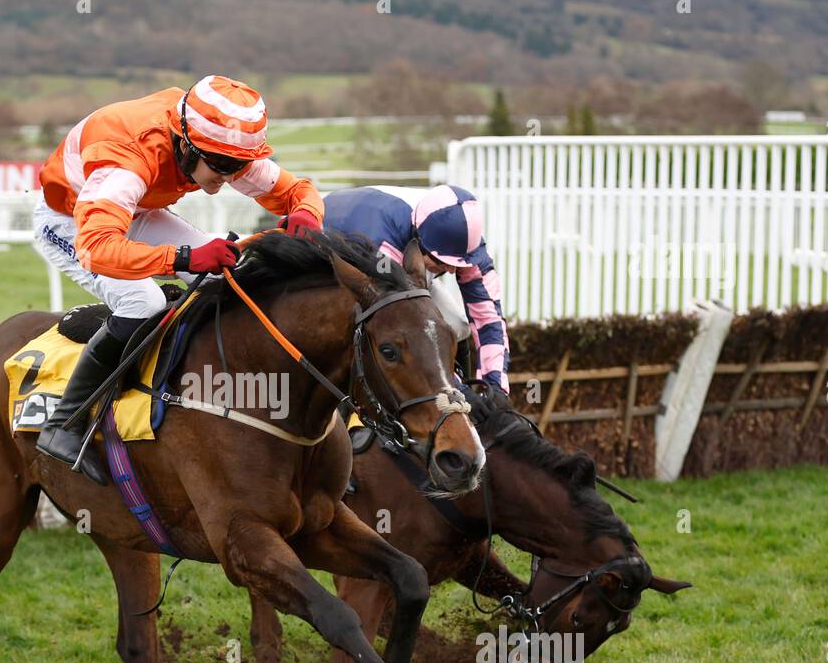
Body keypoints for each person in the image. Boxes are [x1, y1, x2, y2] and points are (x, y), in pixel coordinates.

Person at [33, 75, 325, 483]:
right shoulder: (129, 159)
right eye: (221, 167)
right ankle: (63, 424)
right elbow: (97, 248)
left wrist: (308, 217)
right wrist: (184, 257)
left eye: (239, 167)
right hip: (72, 224)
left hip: (135, 212)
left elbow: (300, 191)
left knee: (231, 274)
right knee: (144, 302)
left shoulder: (218, 140)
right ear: (185, 144)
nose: (229, 177)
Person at [323, 184, 510, 394]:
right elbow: (410, 330)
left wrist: (495, 389)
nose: (450, 271)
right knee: (381, 336)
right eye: (441, 262)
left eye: (458, 264)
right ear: (419, 241)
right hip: (343, 250)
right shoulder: (382, 246)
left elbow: (488, 319)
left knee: (457, 326)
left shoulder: (466, 244)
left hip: (404, 255)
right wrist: (455, 391)